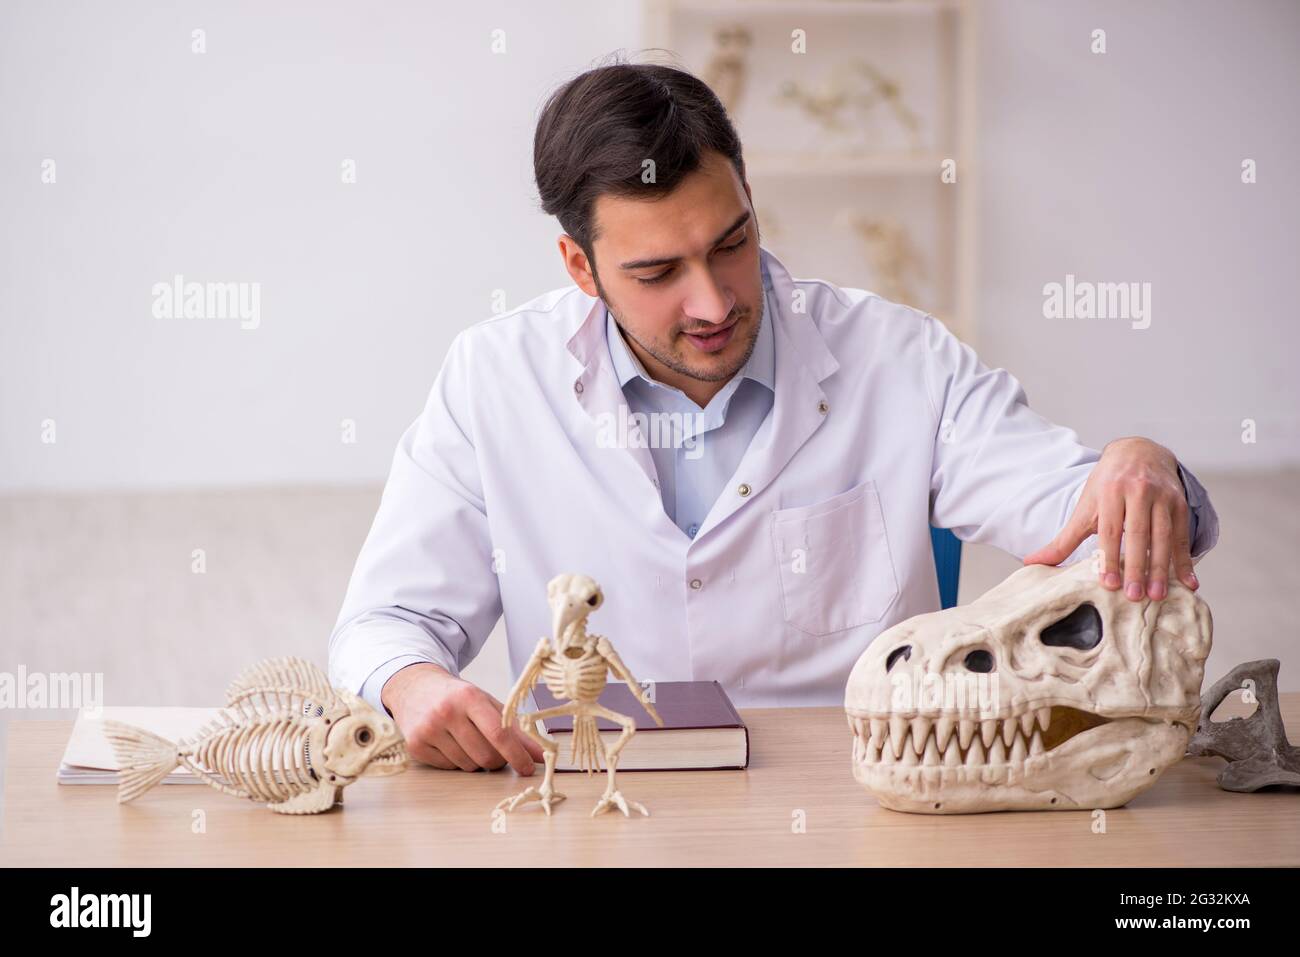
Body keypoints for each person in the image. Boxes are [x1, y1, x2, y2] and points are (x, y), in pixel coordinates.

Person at [328, 61, 1218, 777]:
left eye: (732, 243)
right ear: (579, 265)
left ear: (751, 200)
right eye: (657, 273)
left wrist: (1142, 469)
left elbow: (1084, 506)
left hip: (863, 800)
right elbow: (385, 619)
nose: (712, 301)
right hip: (603, 801)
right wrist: (410, 684)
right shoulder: (494, 379)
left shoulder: (899, 358)